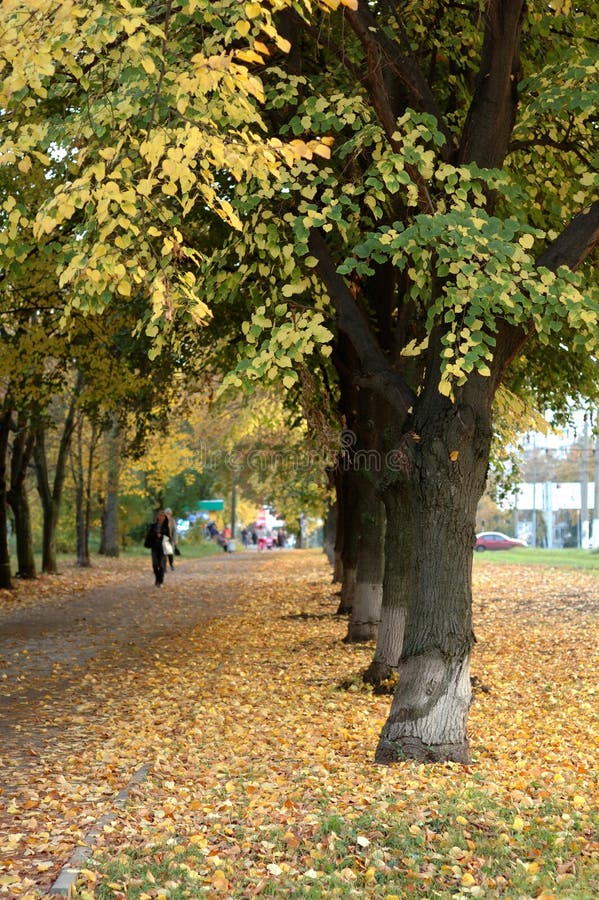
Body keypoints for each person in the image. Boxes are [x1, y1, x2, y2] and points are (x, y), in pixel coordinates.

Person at [144, 510, 170, 587]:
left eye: (163, 516)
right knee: (155, 564)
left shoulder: (166, 527)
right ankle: (157, 578)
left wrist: (161, 536)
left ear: (165, 517)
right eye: (160, 516)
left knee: (161, 565)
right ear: (157, 517)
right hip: (154, 547)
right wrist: (155, 535)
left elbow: (168, 537)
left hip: (162, 547)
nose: (161, 517)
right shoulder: (153, 526)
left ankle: (161, 580)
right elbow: (148, 535)